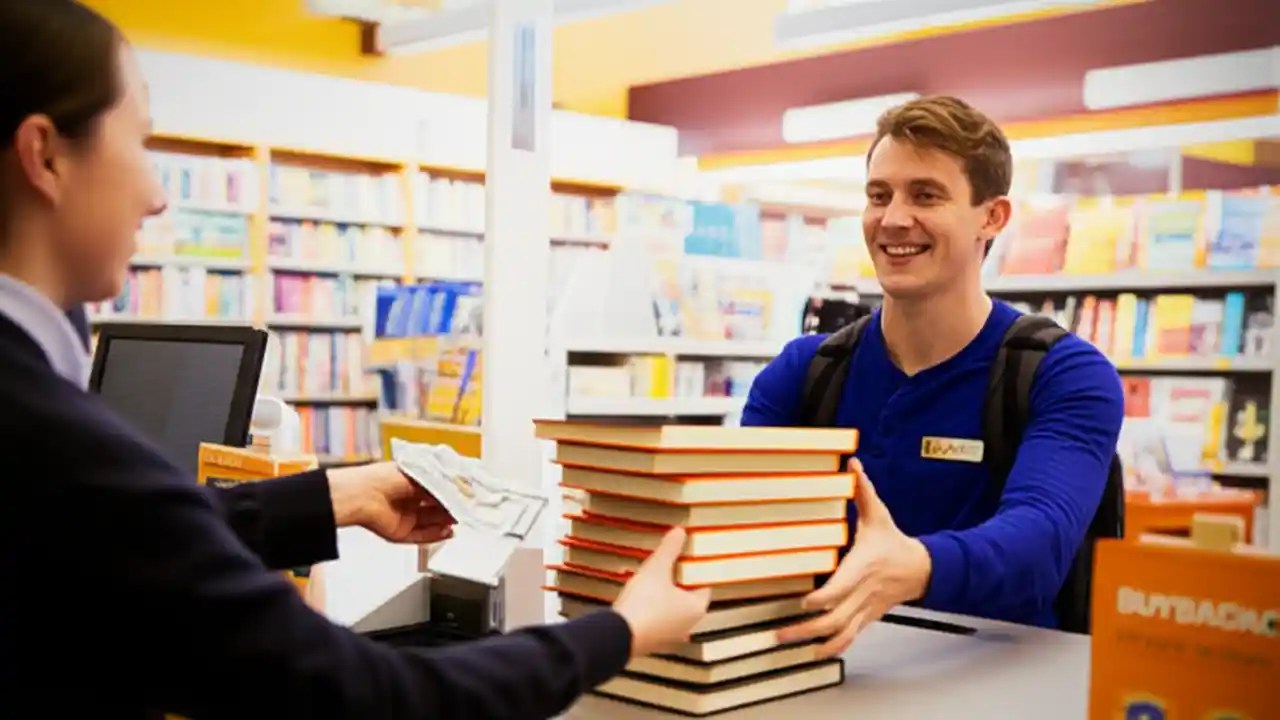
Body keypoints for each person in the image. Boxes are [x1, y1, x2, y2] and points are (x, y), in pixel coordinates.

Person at [0, 1, 710, 718]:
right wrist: (622, 630)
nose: (155, 195)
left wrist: (342, 496)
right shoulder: (45, 431)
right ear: (46, 155)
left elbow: (131, 534)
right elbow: (374, 696)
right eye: (141, 142)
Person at [744, 96, 1124, 656]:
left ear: (992, 217)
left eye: (925, 195)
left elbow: (1040, 546)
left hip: (1001, 688)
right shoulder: (803, 375)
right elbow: (736, 526)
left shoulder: (1063, 375)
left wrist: (914, 567)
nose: (893, 219)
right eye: (879, 195)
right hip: (825, 679)